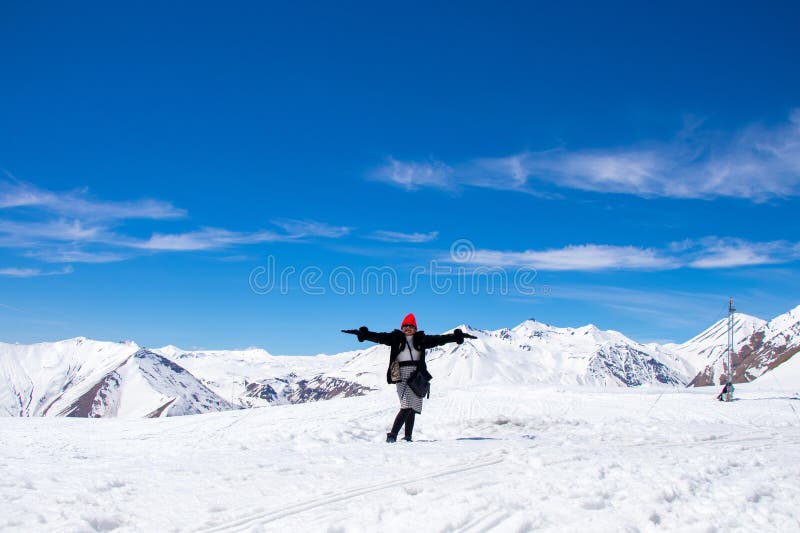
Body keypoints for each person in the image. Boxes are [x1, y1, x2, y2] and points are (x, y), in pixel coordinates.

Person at [342, 313, 476, 442]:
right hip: (399, 373)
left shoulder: (422, 339)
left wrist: (455, 337)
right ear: (401, 328)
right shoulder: (395, 338)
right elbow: (379, 337)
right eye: (405, 326)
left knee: (412, 407)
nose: (407, 328)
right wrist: (365, 335)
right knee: (406, 405)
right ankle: (392, 435)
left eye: (411, 326)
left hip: (417, 374)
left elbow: (439, 340)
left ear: (415, 328)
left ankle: (408, 436)